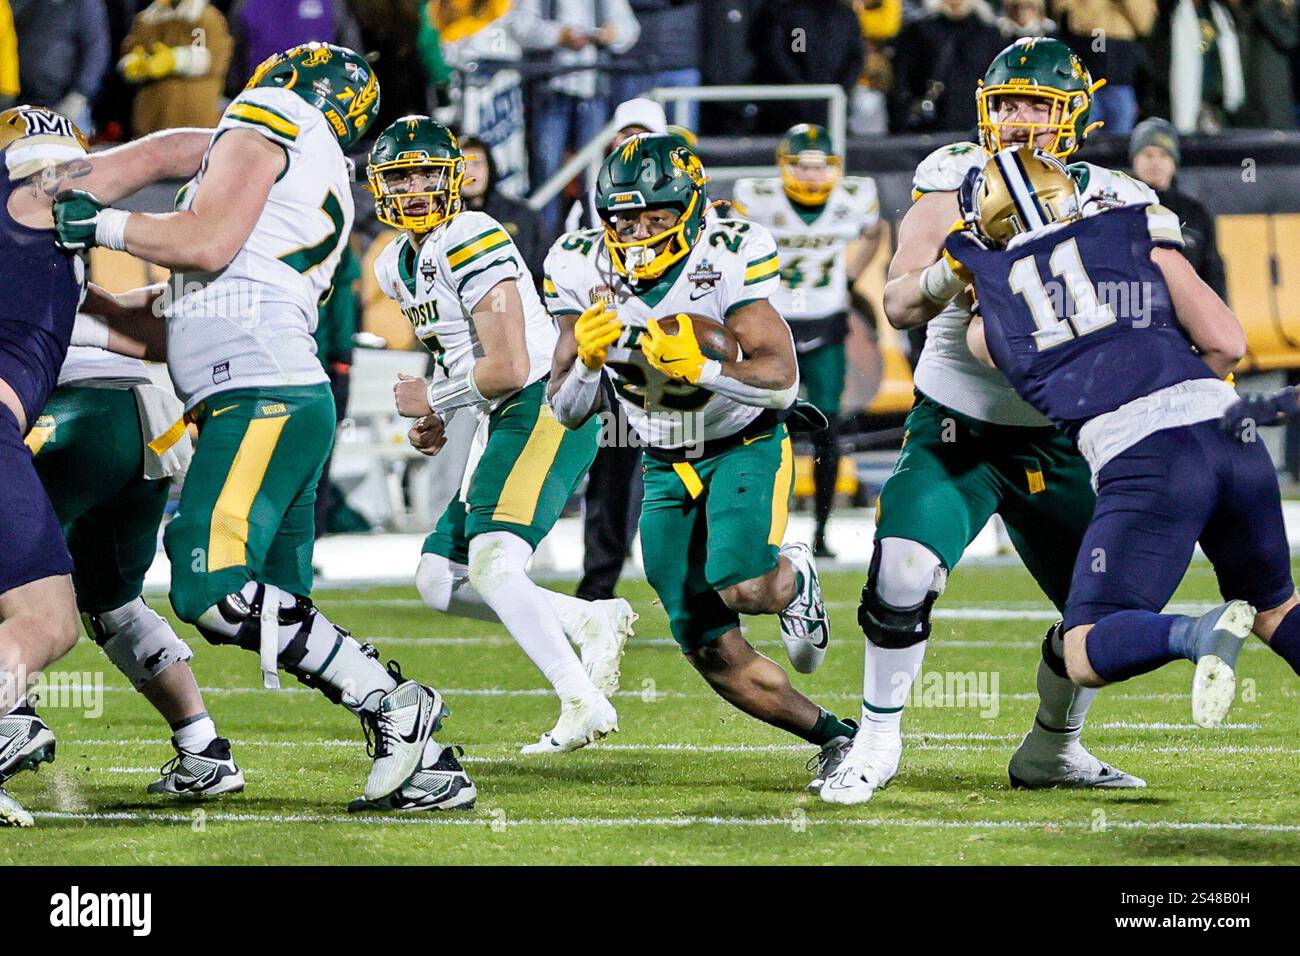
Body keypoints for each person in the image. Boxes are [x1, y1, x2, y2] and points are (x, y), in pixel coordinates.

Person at [50, 44, 475, 814]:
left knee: (207, 581)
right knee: (262, 605)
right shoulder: (308, 169)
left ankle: (396, 703)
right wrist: (65, 310)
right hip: (274, 390)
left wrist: (99, 223)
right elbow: (179, 312)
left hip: (263, 392)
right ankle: (433, 763)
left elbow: (203, 243)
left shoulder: (269, 115)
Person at [820, 37, 1147, 807]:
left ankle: (1053, 750)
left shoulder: (1117, 198)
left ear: (1072, 117)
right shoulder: (956, 178)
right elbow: (899, 300)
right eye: (1007, 104)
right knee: (903, 568)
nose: (1020, 119)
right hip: (958, 424)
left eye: (1037, 104)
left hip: (1064, 433)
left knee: (1106, 610)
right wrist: (953, 269)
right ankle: (875, 738)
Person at [545, 133, 860, 792]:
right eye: (626, 219)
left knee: (742, 585)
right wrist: (586, 362)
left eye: (657, 216)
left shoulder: (728, 253)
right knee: (708, 644)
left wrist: (708, 370)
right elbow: (568, 411)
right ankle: (836, 738)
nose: (640, 232)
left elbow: (781, 381)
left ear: (691, 209)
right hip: (663, 461)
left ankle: (791, 575)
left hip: (742, 441)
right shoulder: (578, 267)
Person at [957, 146, 1300, 729]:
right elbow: (1226, 343)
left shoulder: (988, 312)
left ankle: (1197, 632)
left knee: (1083, 648)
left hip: (1144, 456)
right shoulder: (1133, 230)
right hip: (1229, 430)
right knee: (1276, 607)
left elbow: (1001, 355)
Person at [367, 115, 638, 754]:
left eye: (427, 172)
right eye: (401, 176)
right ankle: (587, 620)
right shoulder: (393, 264)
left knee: (493, 560)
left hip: (546, 404)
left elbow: (511, 365)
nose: (414, 188)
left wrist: (433, 396)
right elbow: (463, 355)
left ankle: (580, 701)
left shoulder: (471, 234)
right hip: (500, 416)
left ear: (453, 177)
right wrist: (443, 410)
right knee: (440, 578)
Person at [0, 105, 215, 826]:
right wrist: (274, 157)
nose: (67, 181)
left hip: (79, 417)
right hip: (105, 424)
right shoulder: (29, 196)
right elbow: (165, 154)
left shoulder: (44, 257)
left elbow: (134, 327)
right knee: (55, 615)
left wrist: (188, 302)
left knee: (53, 612)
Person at [732, 124, 882, 558]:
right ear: (784, 166)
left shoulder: (854, 198)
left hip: (826, 318)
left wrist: (851, 277)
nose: (813, 177)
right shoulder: (757, 197)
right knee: (757, 426)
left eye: (821, 168)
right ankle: (757, 531)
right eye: (803, 167)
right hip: (771, 323)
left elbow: (873, 232)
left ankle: (821, 533)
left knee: (828, 429)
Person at [561, 96, 667, 602]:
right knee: (613, 476)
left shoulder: (689, 207)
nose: (629, 149)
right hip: (616, 361)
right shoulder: (586, 211)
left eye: (641, 138)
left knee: (685, 473)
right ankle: (596, 590)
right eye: (623, 137)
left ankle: (690, 590)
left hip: (678, 366)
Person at [1129, 117, 1227, 299]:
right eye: (1148, 154)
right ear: (1134, 160)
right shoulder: (1117, 208)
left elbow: (1213, 275)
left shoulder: (1195, 213)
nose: (1155, 162)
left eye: (1163, 155)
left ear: (1174, 162)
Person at [119, 0, 234, 137]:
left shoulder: (207, 17)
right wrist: (133, 63)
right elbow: (130, 50)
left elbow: (217, 59)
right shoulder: (147, 19)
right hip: (153, 123)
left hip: (196, 122)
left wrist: (176, 60)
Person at [1053, 0, 1156, 134]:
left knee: (1120, 142)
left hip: (1121, 77)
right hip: (1086, 77)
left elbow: (1144, 24)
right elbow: (1070, 18)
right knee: (1084, 137)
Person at [459, 133, 545, 279]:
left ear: (490, 168)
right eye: (462, 166)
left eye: (477, 164)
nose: (469, 173)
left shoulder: (524, 215)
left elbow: (542, 270)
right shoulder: (442, 222)